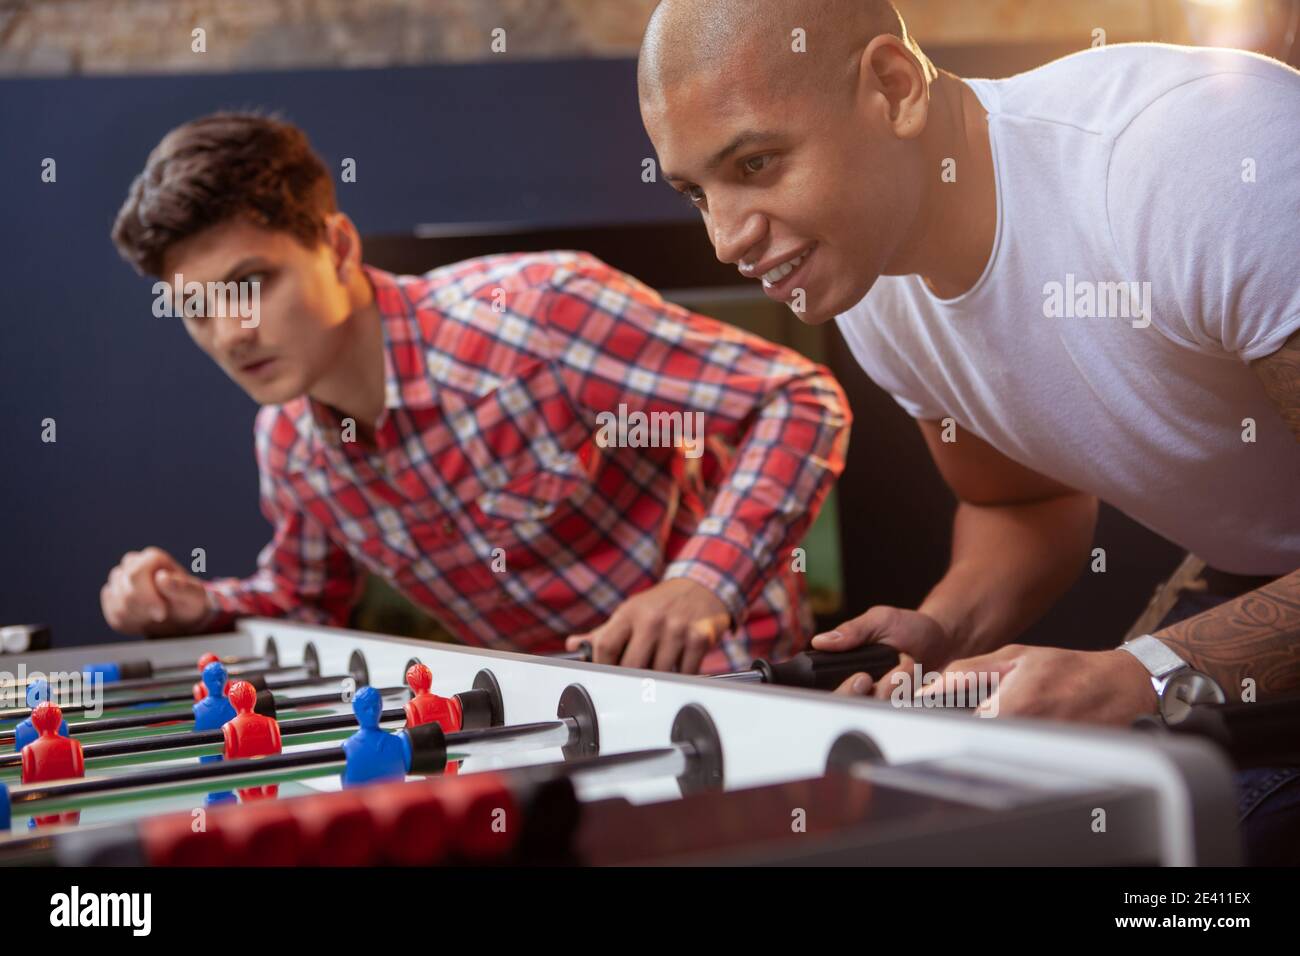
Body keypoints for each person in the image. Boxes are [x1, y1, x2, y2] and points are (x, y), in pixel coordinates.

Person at [637, 0, 1299, 861]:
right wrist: (942, 627)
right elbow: (1025, 502)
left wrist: (1140, 673)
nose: (725, 240)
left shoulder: (1192, 163)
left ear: (894, 85)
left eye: (756, 163)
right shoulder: (869, 281)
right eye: (696, 193)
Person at [100, 112, 850, 675]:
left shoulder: (540, 312)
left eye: (250, 284)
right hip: (557, 726)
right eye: (197, 308)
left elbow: (797, 400)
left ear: (337, 247)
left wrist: (701, 584)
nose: (229, 335)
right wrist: (200, 606)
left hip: (743, 685)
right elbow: (306, 603)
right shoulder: (290, 444)